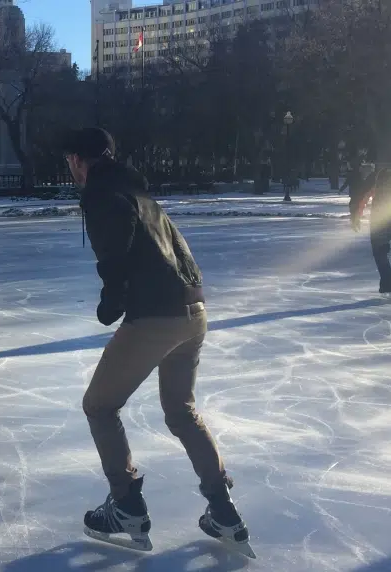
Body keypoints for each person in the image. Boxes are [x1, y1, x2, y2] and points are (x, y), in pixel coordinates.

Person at [60, 127, 253, 557]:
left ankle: (126, 507)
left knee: (99, 406)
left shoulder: (103, 192)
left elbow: (116, 245)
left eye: (69, 160)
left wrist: (112, 296)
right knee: (181, 412)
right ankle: (223, 510)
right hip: (193, 310)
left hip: (157, 314)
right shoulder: (136, 189)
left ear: (77, 160)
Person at [350, 166, 391, 294]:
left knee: (379, 252)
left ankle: (387, 281)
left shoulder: (376, 184)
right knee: (380, 252)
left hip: (379, 222)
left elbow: (363, 198)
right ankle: (386, 281)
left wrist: (356, 216)